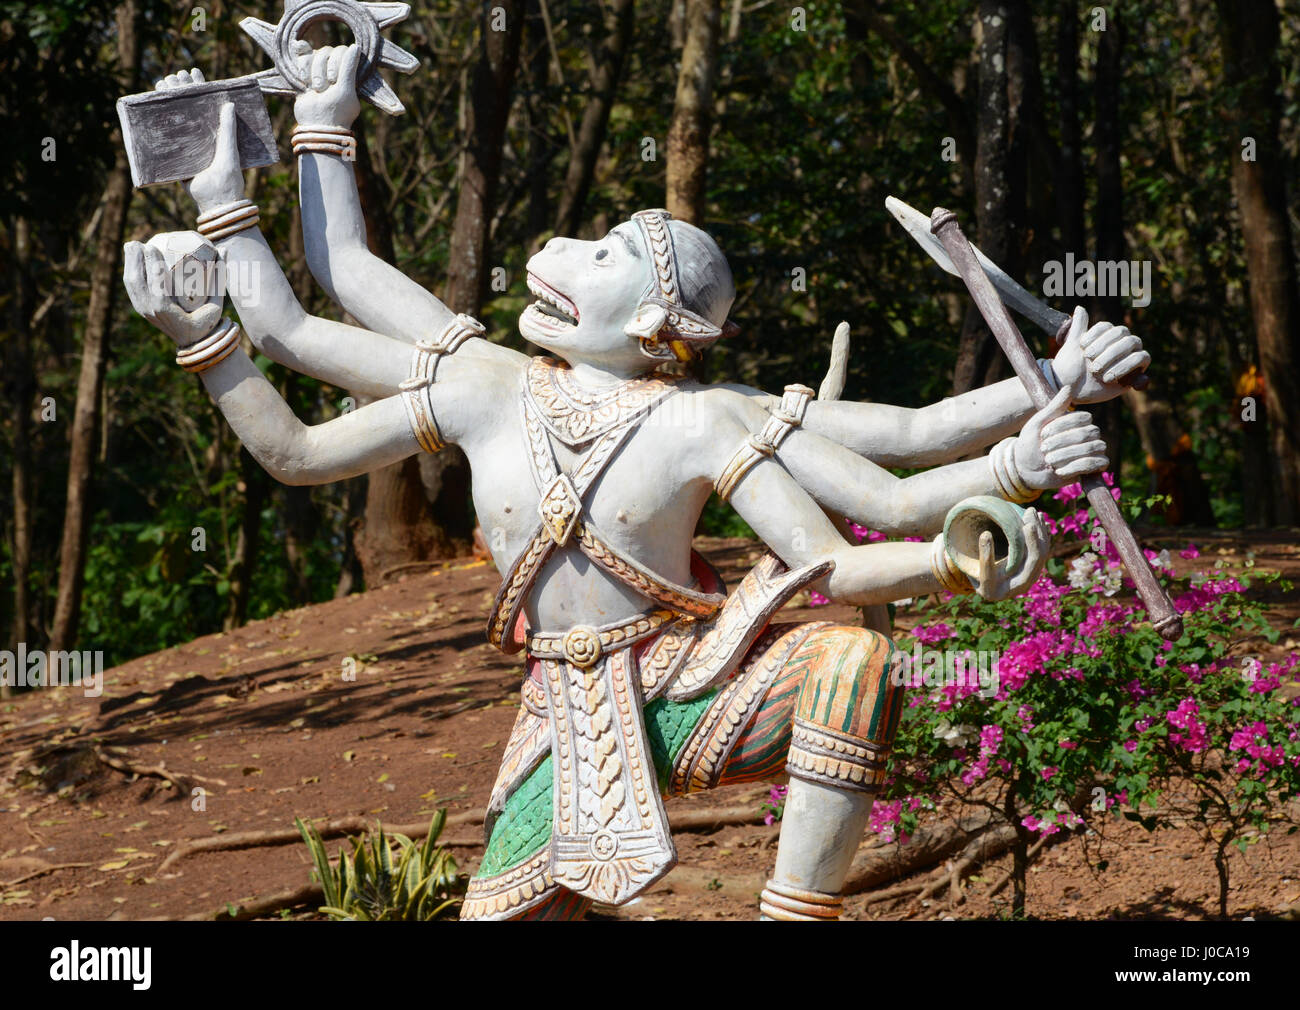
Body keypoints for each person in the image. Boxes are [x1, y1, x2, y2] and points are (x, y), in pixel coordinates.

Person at [123, 50, 1146, 920]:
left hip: (688, 689)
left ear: (658, 326)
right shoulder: (485, 386)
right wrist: (264, 185)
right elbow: (305, 348)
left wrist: (1028, 434)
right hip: (560, 720)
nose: (561, 252)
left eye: (606, 254)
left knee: (849, 659)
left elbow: (887, 483)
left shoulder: (704, 416)